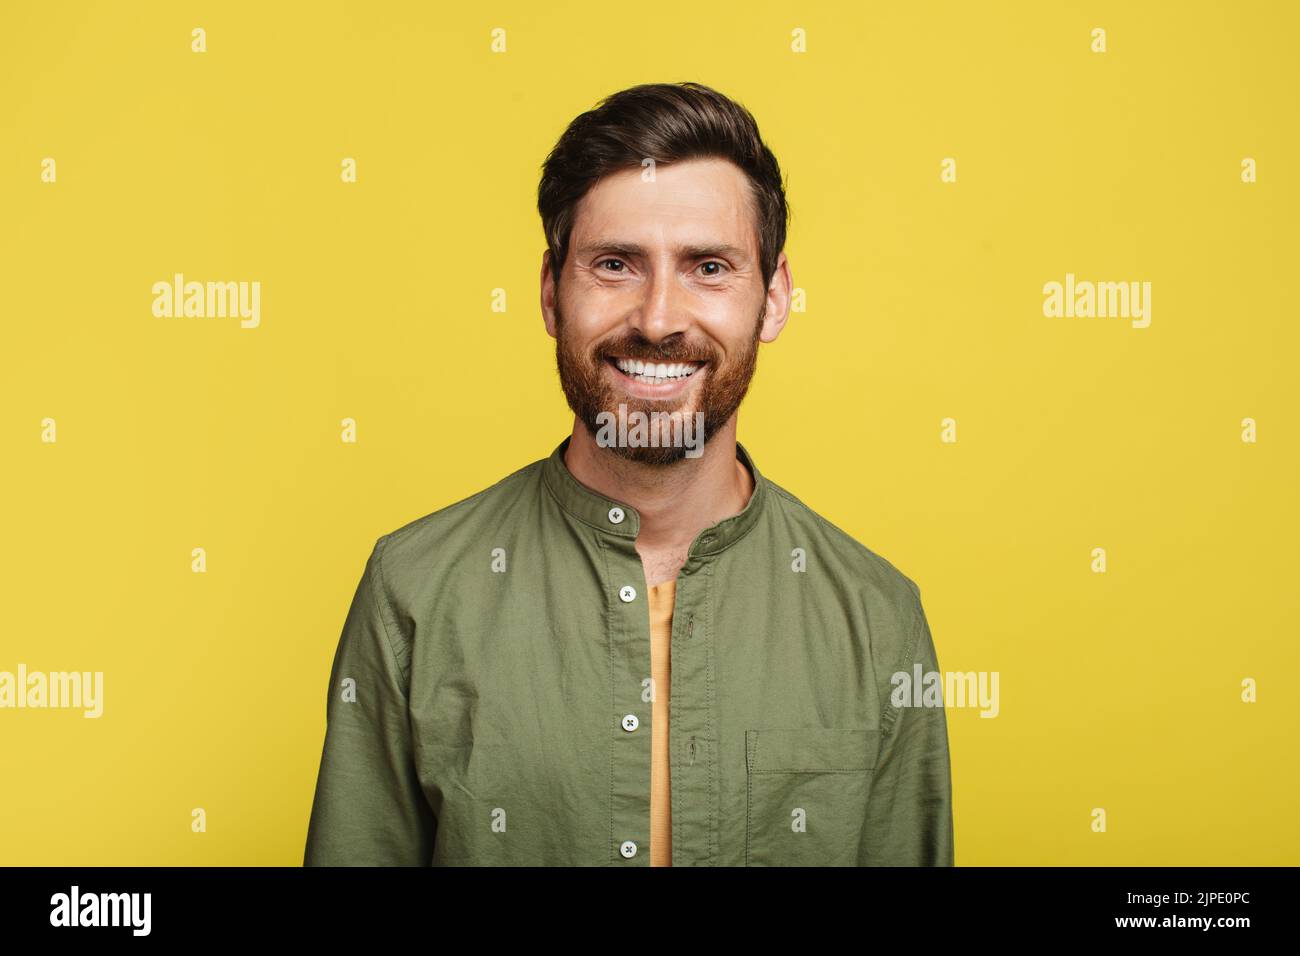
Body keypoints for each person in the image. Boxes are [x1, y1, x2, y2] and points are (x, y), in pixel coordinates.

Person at [304, 81, 954, 866]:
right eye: (615, 264)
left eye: (708, 267)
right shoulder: (412, 588)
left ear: (773, 298)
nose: (656, 318)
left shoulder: (878, 618)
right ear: (551, 292)